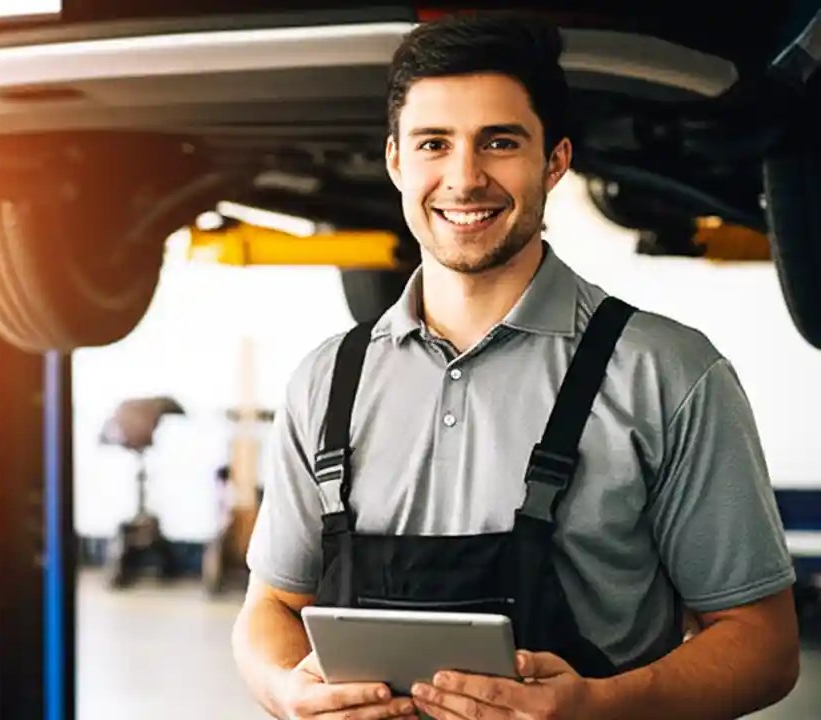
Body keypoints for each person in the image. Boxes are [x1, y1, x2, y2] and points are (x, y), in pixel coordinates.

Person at [231, 11, 801, 720]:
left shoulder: (667, 373)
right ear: (396, 161)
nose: (464, 179)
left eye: (499, 142)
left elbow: (763, 645)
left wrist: (598, 706)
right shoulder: (325, 381)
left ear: (554, 161)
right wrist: (287, 690)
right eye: (434, 144)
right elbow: (270, 611)